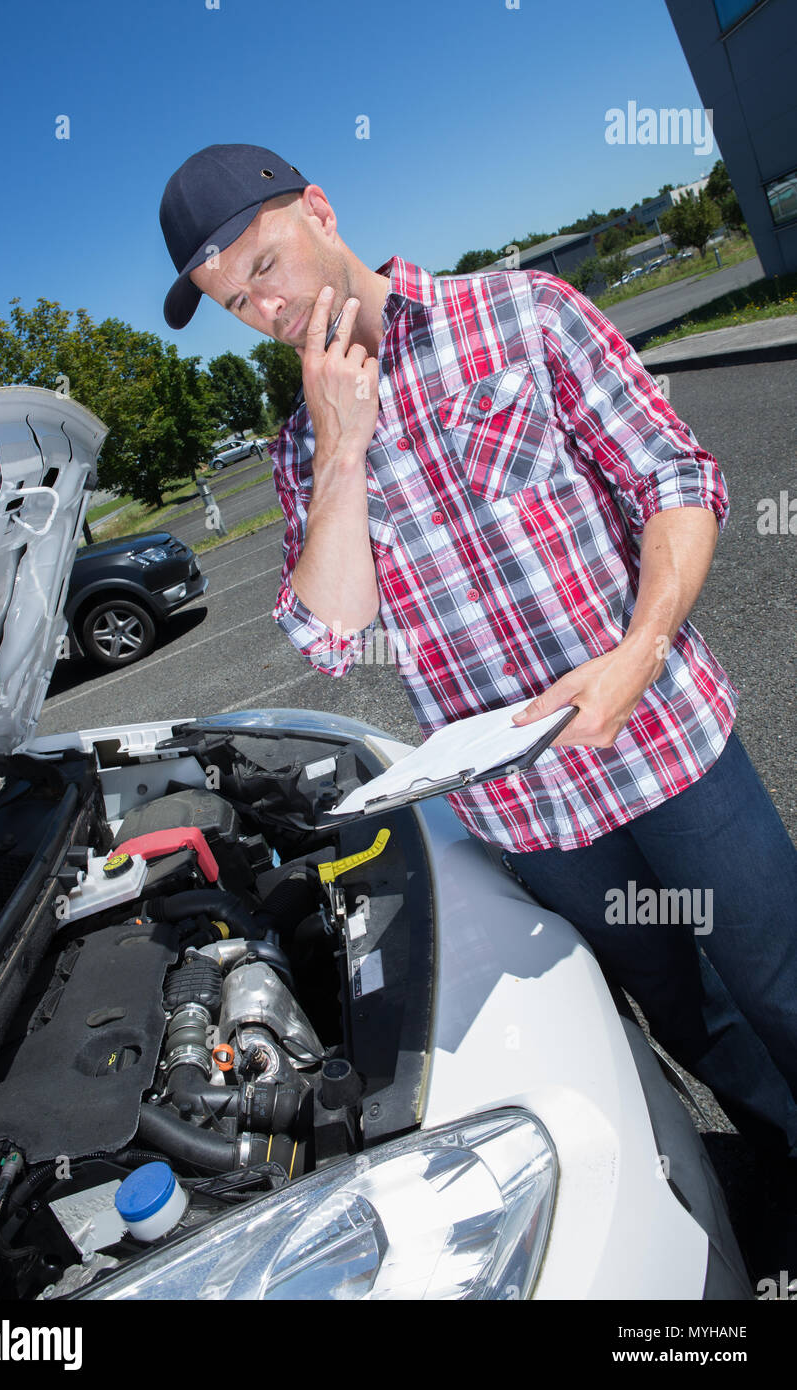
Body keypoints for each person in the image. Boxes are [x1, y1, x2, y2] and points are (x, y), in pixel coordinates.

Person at [159, 143, 797, 1165]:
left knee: (779, 982)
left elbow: (674, 479)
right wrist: (342, 447)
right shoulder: (301, 450)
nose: (263, 311)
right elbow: (327, 636)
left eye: (263, 267)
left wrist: (638, 651)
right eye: (233, 302)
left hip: (662, 741)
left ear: (318, 209)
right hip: (536, 815)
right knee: (691, 1019)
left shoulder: (521, 312)